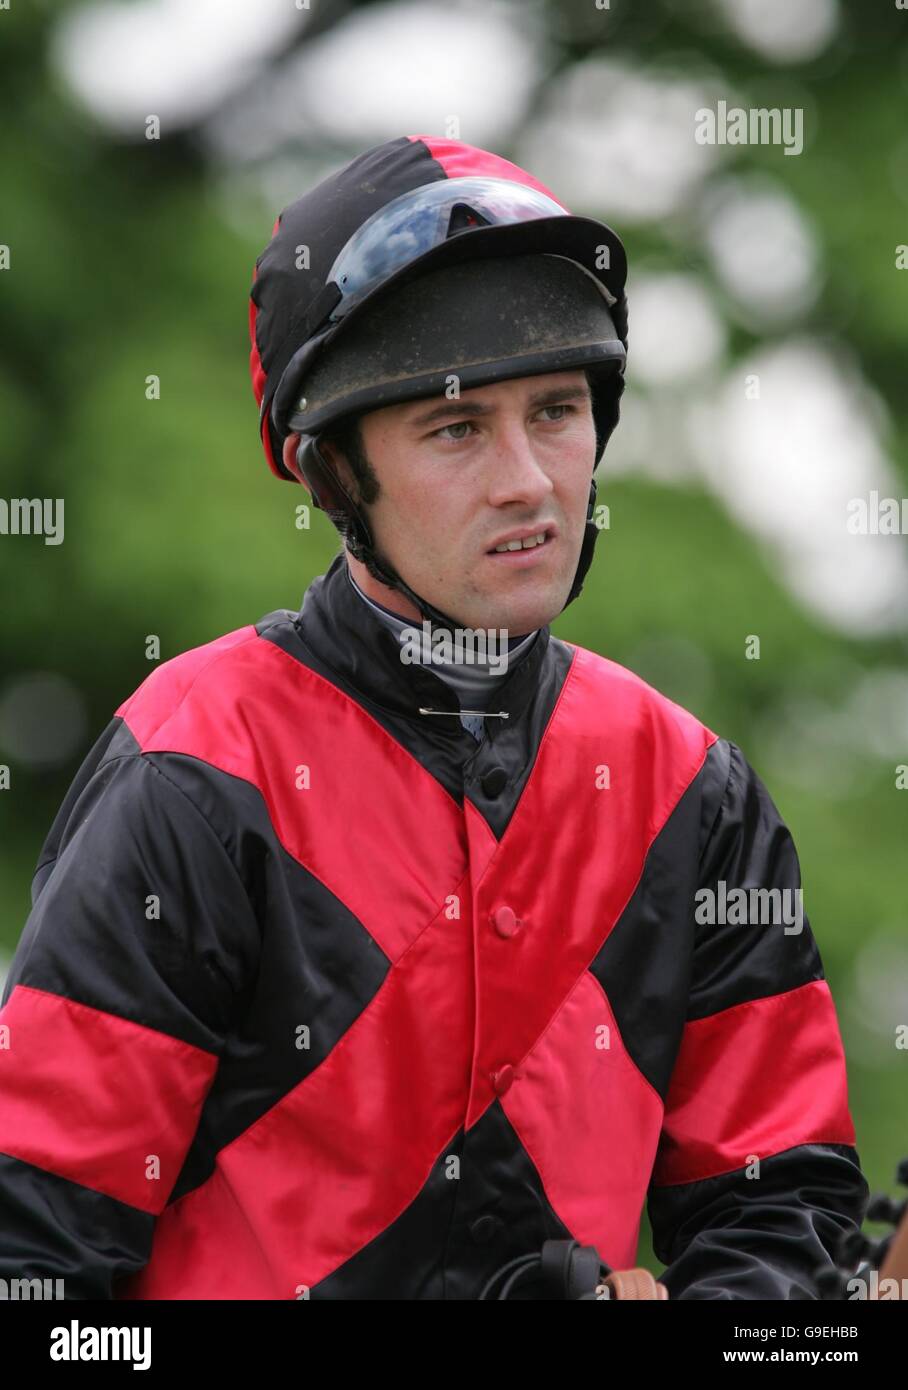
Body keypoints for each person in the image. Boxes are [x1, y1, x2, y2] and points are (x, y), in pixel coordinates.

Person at [0, 135, 868, 1300]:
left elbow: (782, 1235)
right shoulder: (194, 767)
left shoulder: (691, 790)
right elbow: (37, 1265)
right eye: (456, 430)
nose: (527, 479)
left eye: (555, 411)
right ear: (331, 474)